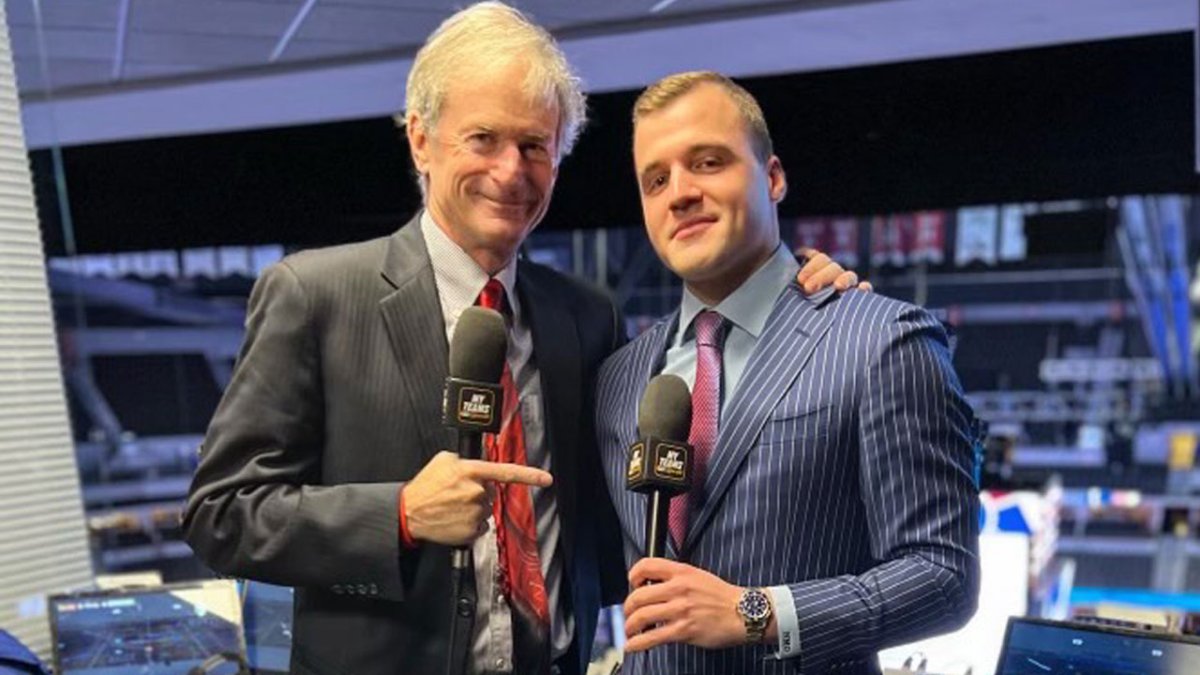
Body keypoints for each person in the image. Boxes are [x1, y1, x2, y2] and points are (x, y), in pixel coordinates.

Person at [181, 5, 861, 675]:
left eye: (535, 145)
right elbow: (221, 513)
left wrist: (788, 294)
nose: (511, 170)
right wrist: (399, 513)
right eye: (483, 139)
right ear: (421, 139)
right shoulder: (315, 295)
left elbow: (629, 496)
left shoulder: (585, 315)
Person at [595, 71, 981, 675]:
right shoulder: (620, 378)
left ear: (772, 178)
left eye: (708, 162)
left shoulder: (881, 341)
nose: (680, 193)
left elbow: (943, 575)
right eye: (656, 179)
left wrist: (756, 612)